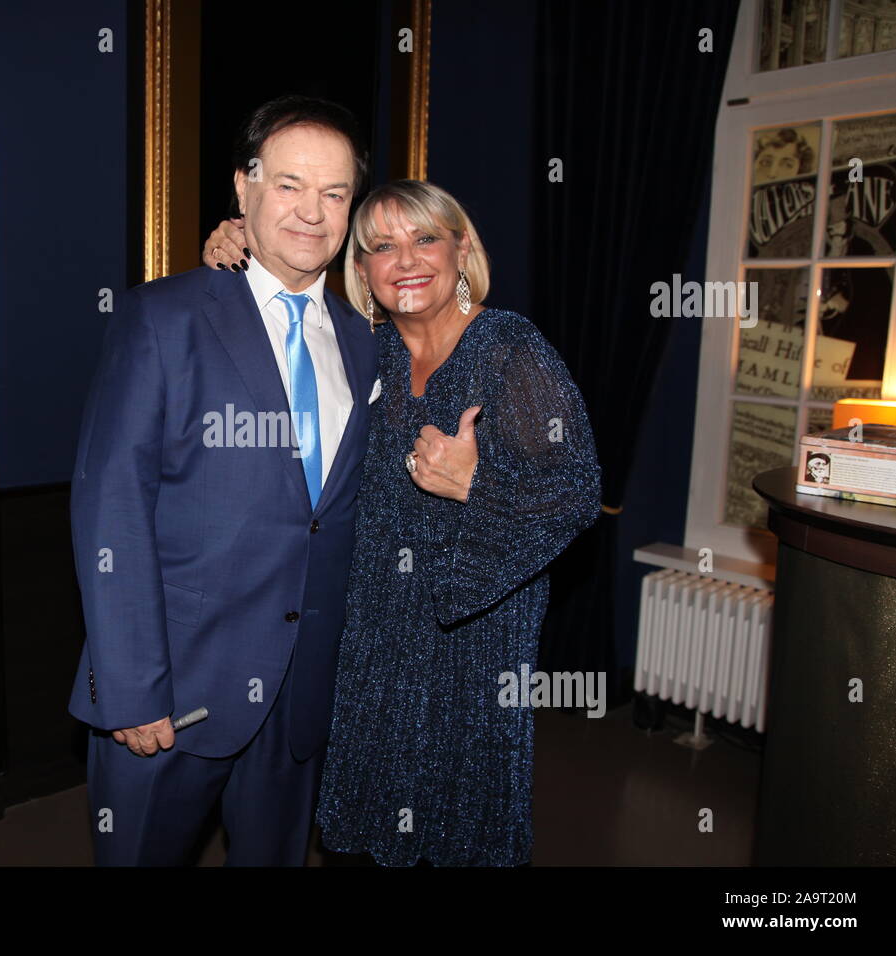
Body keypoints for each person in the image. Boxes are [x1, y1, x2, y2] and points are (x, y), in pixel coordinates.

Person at [203, 179, 601, 865]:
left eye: (425, 238)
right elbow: (275, 335)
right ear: (360, 270)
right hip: (370, 642)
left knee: (456, 834)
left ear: (461, 248)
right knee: (365, 835)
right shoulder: (364, 350)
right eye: (382, 246)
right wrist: (240, 245)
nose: (406, 260)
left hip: (471, 645)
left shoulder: (508, 347)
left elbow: (576, 491)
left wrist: (479, 483)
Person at [67, 95, 378, 866]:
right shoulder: (163, 317)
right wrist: (133, 688)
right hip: (174, 691)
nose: (312, 211)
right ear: (243, 189)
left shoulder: (364, 342)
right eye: (289, 185)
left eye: (334, 193)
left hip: (299, 701)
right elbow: (111, 504)